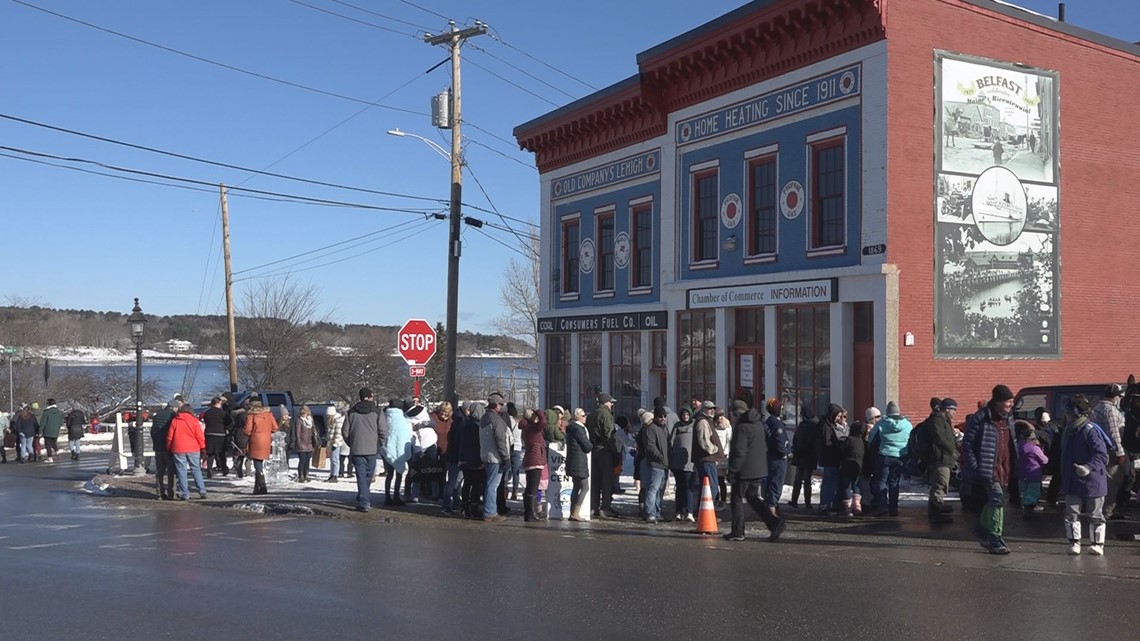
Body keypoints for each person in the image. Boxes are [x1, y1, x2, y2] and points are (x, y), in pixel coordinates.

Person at [962, 384, 1017, 555]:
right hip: (988, 468)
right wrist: (975, 466)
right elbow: (967, 444)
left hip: (1004, 467)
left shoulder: (1008, 419)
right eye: (1008, 401)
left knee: (996, 499)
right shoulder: (981, 418)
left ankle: (982, 529)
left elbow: (1011, 443)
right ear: (998, 402)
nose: (1011, 405)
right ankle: (995, 538)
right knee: (997, 499)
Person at [724, 399, 784, 542]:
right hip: (758, 468)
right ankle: (775, 523)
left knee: (737, 499)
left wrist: (732, 470)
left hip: (744, 470)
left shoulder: (742, 427)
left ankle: (738, 531)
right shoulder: (758, 423)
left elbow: (739, 451)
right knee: (753, 497)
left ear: (736, 413)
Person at [1060, 395, 1109, 555]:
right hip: (1072, 481)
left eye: (1067, 413)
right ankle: (1074, 543)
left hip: (1093, 481)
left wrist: (1088, 467)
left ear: (1076, 414)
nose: (1065, 416)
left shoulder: (1090, 431)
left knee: (1095, 514)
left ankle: (1097, 544)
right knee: (1071, 514)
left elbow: (1102, 455)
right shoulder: (1068, 431)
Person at [342, 388, 385, 512]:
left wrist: (351, 443)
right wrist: (378, 444)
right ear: (370, 396)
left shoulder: (351, 413)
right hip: (372, 449)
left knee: (361, 475)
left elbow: (345, 432)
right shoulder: (377, 412)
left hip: (356, 449)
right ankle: (364, 499)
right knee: (368, 476)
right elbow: (383, 431)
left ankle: (363, 497)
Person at [868, 401, 913, 517]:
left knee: (881, 482)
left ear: (887, 412)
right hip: (900, 457)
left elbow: (872, 438)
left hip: (884, 456)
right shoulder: (907, 425)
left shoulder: (881, 424)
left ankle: (882, 507)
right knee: (894, 482)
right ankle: (894, 509)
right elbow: (910, 440)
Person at [1093, 383, 1130, 518]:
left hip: (1100, 449)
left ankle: (1098, 508)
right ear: (1115, 396)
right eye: (1120, 396)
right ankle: (1107, 511)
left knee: (1102, 480)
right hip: (1111, 451)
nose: (1120, 399)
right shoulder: (1110, 411)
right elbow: (1114, 433)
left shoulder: (1097, 408)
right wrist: (1119, 453)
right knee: (1113, 480)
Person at [586, 393, 619, 518]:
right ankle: (605, 508)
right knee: (606, 481)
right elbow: (608, 434)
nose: (612, 404)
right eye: (611, 402)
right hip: (604, 450)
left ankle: (593, 506)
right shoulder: (605, 414)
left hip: (593, 450)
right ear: (606, 402)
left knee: (595, 481)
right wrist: (614, 450)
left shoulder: (592, 414)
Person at [480, 393, 511, 522]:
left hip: (486, 455)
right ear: (496, 405)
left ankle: (489, 510)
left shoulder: (484, 418)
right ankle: (490, 512)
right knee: (493, 485)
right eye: (501, 404)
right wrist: (506, 457)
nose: (502, 406)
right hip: (496, 457)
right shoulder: (497, 420)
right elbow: (500, 440)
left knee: (489, 484)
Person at [928, 398, 959, 523]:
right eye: (953, 410)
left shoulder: (943, 420)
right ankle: (936, 513)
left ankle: (938, 507)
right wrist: (952, 449)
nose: (954, 413)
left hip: (944, 457)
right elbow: (940, 439)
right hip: (941, 458)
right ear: (947, 409)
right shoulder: (937, 420)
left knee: (942, 484)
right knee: (940, 485)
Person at [167, 404, 207, 500]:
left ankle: (185, 494)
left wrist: (169, 447)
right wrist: (203, 447)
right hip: (193, 448)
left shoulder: (175, 420)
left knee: (181, 471)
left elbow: (170, 436)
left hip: (178, 448)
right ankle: (202, 490)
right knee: (196, 469)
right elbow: (199, 436)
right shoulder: (194, 421)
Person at [692, 400, 726, 509]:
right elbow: (704, 441)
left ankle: (702, 511)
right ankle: (707, 512)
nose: (711, 411)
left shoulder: (707, 421)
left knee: (705, 487)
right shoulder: (703, 422)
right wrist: (714, 449)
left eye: (713, 409)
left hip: (706, 459)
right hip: (706, 459)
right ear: (703, 410)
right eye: (709, 409)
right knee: (712, 487)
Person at [640, 407, 670, 524]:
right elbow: (650, 446)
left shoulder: (664, 429)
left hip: (664, 465)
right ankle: (650, 513)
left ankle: (657, 512)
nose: (662, 418)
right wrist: (661, 457)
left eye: (664, 416)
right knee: (653, 489)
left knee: (660, 490)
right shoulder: (651, 429)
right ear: (656, 417)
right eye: (660, 416)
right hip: (656, 464)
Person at [817, 404, 849, 515]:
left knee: (831, 481)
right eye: (838, 416)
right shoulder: (826, 425)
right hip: (829, 457)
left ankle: (829, 504)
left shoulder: (828, 423)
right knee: (829, 482)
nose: (838, 418)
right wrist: (838, 443)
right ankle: (825, 505)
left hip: (831, 457)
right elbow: (827, 442)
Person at [243, 399, 280, 496]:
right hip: (266, 441)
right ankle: (257, 487)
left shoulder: (251, 415)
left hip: (256, 440)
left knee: (257, 464)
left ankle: (262, 486)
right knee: (259, 462)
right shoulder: (268, 414)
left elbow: (247, 430)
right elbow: (275, 428)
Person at [383, 398, 413, 507]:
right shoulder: (403, 418)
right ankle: (396, 496)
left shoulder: (385, 416)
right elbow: (408, 434)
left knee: (389, 474)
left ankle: (387, 497)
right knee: (399, 473)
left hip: (387, 449)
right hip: (400, 449)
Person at [1016, 419, 1049, 518]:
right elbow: (1044, 460)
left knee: (1024, 491)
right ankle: (1029, 509)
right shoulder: (1035, 448)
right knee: (1033, 492)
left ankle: (1024, 506)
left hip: (1022, 473)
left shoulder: (1018, 446)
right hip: (1034, 474)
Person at [565, 407, 593, 521]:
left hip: (572, 461)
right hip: (579, 461)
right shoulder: (579, 429)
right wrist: (591, 444)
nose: (585, 417)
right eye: (583, 415)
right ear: (578, 417)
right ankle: (575, 512)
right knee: (585, 487)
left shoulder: (571, 428)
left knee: (576, 487)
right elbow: (587, 446)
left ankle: (572, 512)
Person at [459, 403, 486, 519]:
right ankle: (474, 507)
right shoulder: (479, 426)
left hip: (465, 459)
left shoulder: (464, 424)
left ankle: (464, 507)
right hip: (477, 459)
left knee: (467, 483)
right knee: (476, 484)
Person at [520, 408, 548, 522]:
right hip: (534, 461)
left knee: (530, 489)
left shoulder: (527, 428)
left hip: (531, 460)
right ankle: (529, 514)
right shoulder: (532, 428)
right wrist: (540, 412)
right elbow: (543, 422)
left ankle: (529, 513)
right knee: (532, 489)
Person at [835, 416, 866, 516]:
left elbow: (842, 451)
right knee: (856, 485)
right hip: (858, 466)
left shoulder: (849, 440)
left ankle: (847, 507)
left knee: (846, 486)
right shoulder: (862, 442)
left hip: (847, 466)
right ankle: (857, 505)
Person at [763, 398, 790, 513]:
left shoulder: (768, 422)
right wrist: (786, 452)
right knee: (776, 484)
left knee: (770, 483)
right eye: (781, 408)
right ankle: (771, 510)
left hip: (770, 456)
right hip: (778, 459)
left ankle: (769, 506)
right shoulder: (777, 425)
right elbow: (780, 443)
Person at [669, 407, 696, 521]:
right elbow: (671, 441)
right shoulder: (676, 426)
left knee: (689, 488)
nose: (685, 417)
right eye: (683, 414)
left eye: (687, 414)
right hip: (677, 463)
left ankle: (689, 511)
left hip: (690, 462)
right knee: (680, 488)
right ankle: (679, 511)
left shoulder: (694, 426)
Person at [789, 404, 819, 509]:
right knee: (802, 479)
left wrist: (797, 449)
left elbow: (803, 440)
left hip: (804, 455)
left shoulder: (809, 426)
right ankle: (800, 501)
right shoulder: (810, 425)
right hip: (805, 456)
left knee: (802, 479)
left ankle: (802, 501)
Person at [150, 400, 179, 500]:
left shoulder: (157, 415)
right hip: (168, 446)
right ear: (174, 407)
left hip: (158, 446)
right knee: (172, 471)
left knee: (160, 471)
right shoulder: (173, 416)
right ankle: (172, 493)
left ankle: (160, 492)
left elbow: (152, 430)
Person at [406, 412, 438, 502]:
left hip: (430, 442)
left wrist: (423, 424)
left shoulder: (424, 413)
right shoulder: (408, 419)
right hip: (417, 445)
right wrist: (418, 450)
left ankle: (435, 494)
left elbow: (434, 424)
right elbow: (411, 434)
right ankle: (414, 495)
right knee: (416, 471)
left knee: (434, 469)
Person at [291, 405, 320, 483]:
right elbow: (297, 433)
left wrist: (315, 440)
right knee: (302, 460)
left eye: (305, 413)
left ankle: (306, 474)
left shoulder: (311, 420)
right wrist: (299, 443)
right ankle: (301, 475)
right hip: (302, 443)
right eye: (302, 413)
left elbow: (314, 430)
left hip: (310, 443)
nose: (303, 414)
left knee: (307, 460)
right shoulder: (299, 420)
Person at [202, 396, 229, 477]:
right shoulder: (223, 413)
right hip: (220, 434)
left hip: (209, 434)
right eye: (220, 403)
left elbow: (205, 421)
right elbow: (228, 422)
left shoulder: (207, 413)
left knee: (210, 453)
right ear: (217, 403)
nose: (221, 405)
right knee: (221, 453)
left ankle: (209, 469)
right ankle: (224, 468)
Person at [714, 408, 733, 508]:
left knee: (721, 480)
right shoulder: (713, 426)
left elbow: (729, 440)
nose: (720, 418)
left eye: (722, 416)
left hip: (723, 456)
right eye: (719, 416)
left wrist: (725, 452)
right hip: (714, 454)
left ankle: (723, 499)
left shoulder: (727, 426)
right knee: (714, 480)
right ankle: (715, 499)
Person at [505, 402, 523, 501]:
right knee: (516, 471)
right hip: (518, 447)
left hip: (509, 447)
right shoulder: (518, 421)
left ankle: (505, 490)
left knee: (507, 470)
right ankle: (515, 492)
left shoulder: (508, 421)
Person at [325, 403, 345, 483]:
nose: (327, 417)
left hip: (336, 443)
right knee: (332, 459)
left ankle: (335, 475)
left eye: (328, 415)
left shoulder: (338, 420)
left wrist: (335, 443)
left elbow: (338, 433)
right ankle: (332, 474)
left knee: (335, 459)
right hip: (332, 442)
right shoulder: (332, 421)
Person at [39, 399, 63, 463]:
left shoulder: (46, 413)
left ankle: (50, 458)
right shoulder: (59, 412)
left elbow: (43, 423)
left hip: (47, 430)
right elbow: (61, 422)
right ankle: (57, 452)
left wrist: (40, 431)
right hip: (56, 430)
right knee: (53, 442)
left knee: (48, 445)